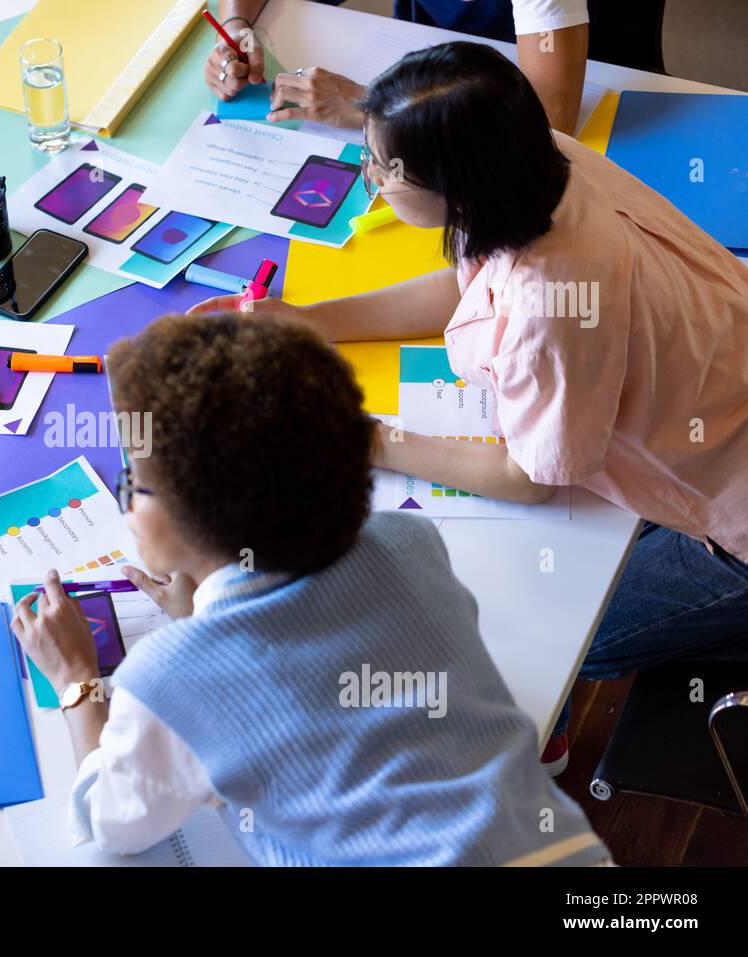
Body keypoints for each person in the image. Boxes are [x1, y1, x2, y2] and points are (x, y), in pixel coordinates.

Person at [192, 41, 748, 776]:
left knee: (564, 640)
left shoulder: (554, 305)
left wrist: (368, 438)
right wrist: (311, 318)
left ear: (457, 190)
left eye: (387, 170)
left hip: (733, 516)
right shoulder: (537, 158)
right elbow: (473, 285)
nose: (371, 179)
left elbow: (530, 476)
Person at [11, 311, 608, 866]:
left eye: (131, 483)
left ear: (182, 514)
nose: (125, 499)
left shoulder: (166, 680)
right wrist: (205, 609)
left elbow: (110, 823)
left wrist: (76, 681)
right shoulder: (408, 542)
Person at [207, 0, 663, 134]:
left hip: (605, 95)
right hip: (442, 53)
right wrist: (235, 26)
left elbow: (546, 125)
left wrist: (377, 110)